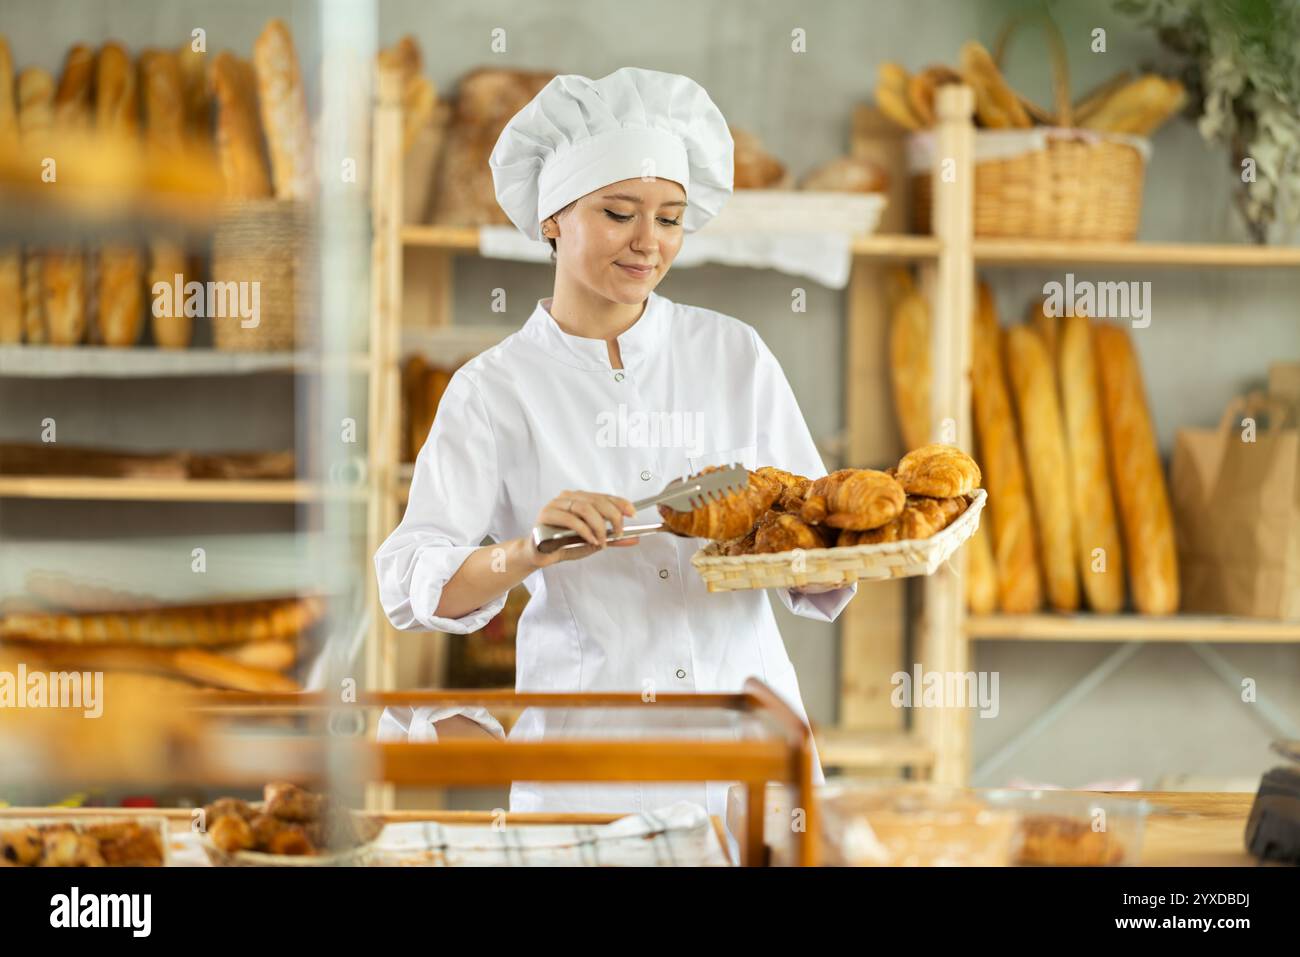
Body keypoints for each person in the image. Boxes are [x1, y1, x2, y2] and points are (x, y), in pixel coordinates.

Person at [374, 66, 857, 834]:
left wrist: (854, 543)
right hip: (589, 773)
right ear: (554, 217)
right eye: (620, 212)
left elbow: (815, 532)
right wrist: (527, 551)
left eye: (670, 217)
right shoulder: (494, 389)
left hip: (753, 762)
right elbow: (409, 581)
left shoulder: (734, 354)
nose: (649, 242)